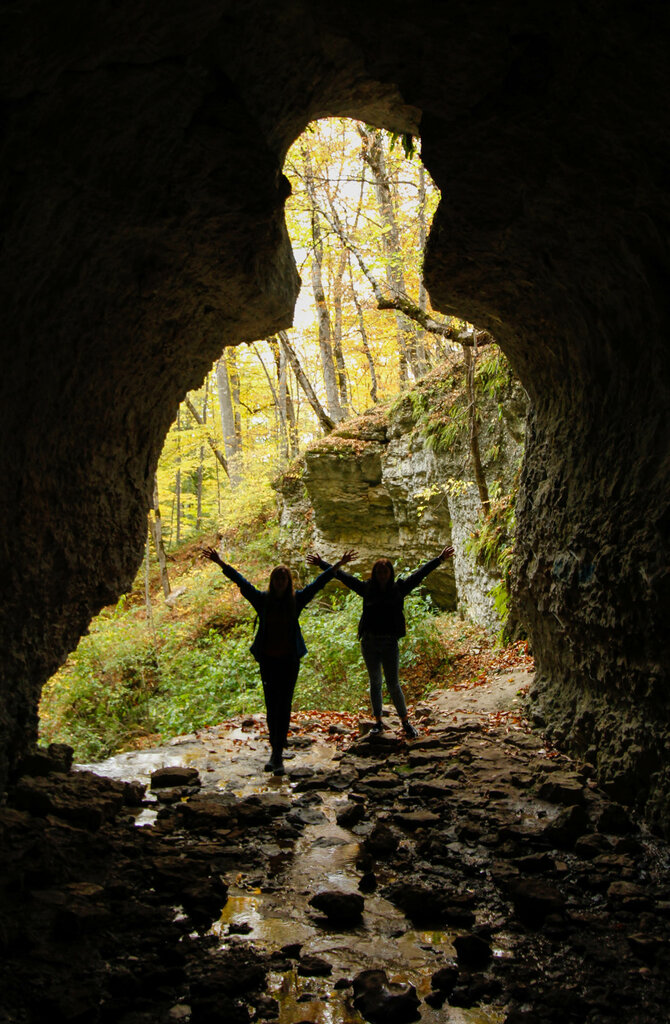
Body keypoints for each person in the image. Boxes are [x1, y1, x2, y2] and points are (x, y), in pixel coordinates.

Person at [203, 546, 355, 774]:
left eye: (284, 578)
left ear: (288, 582)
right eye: (277, 578)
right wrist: (220, 563)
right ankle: (276, 745)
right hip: (268, 661)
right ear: (272, 581)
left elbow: (318, 584)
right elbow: (242, 583)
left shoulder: (297, 600)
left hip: (289, 661)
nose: (280, 582)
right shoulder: (262, 600)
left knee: (283, 705)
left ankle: (277, 754)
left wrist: (338, 565)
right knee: (272, 705)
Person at [308, 547, 455, 738]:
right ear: (375, 574)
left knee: (393, 684)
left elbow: (420, 574)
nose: (382, 575)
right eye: (379, 572)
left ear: (390, 573)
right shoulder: (366, 588)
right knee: (375, 682)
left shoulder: (399, 589)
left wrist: (439, 559)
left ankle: (405, 722)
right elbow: (343, 577)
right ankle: (378, 722)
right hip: (369, 643)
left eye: (385, 571)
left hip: (389, 643)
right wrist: (322, 564)